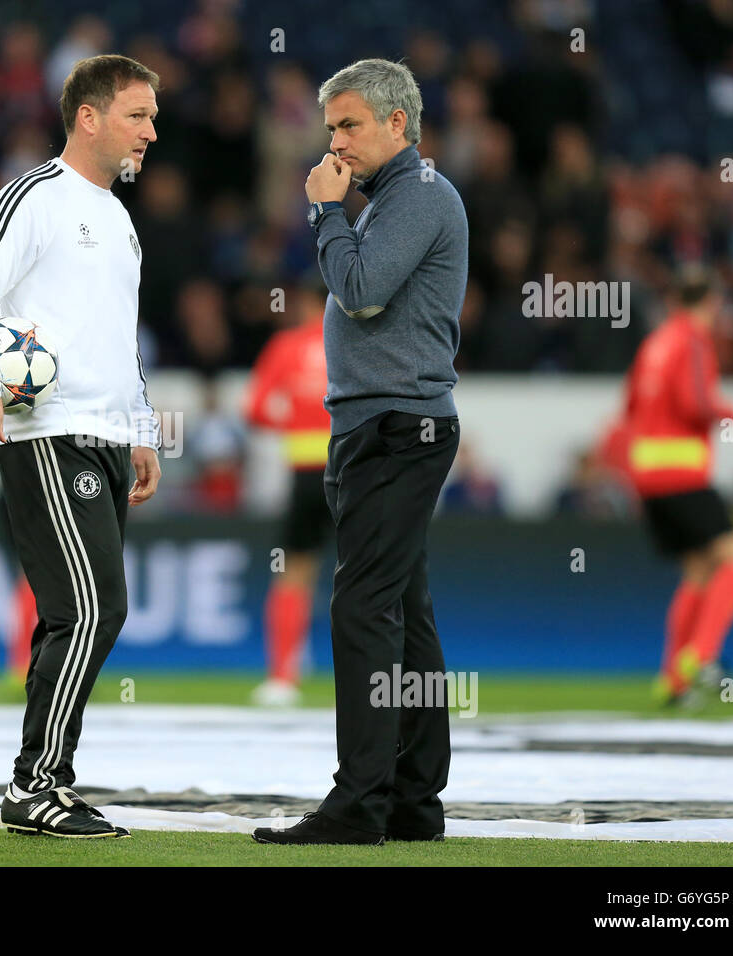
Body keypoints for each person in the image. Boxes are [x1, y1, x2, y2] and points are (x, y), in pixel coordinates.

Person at [0, 54, 162, 839]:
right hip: (45, 430)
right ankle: (34, 785)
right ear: (89, 116)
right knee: (95, 606)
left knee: (72, 614)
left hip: (103, 433)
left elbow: (118, 339)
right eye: (138, 115)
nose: (152, 131)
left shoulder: (121, 219)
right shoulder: (33, 196)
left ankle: (45, 784)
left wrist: (138, 428)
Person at [254, 58, 466, 846]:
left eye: (347, 125)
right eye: (330, 126)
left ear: (398, 124)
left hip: (395, 428)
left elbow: (363, 289)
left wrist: (323, 215)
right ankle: (413, 800)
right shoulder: (395, 200)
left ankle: (360, 803)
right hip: (387, 426)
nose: (333, 142)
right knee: (404, 611)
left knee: (361, 607)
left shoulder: (416, 197)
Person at [616, 268, 733, 707]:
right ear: (712, 303)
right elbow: (694, 402)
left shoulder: (654, 344)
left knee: (699, 570)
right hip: (682, 472)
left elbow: (630, 408)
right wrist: (730, 412)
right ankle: (701, 656)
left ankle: (672, 682)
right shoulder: (694, 341)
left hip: (649, 474)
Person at [245, 302, 332, 706]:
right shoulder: (356, 338)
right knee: (370, 570)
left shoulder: (288, 344)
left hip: (304, 470)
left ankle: (283, 676)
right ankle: (383, 677)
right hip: (355, 465)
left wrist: (294, 424)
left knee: (295, 569)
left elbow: (256, 408)